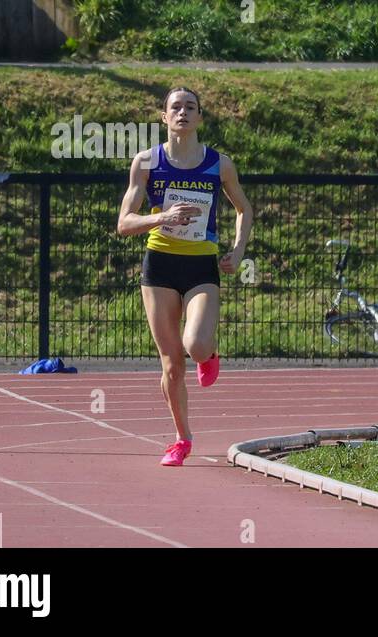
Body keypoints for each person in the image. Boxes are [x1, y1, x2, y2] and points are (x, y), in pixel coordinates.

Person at [117, 87, 254, 466]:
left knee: (194, 345)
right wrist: (161, 217)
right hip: (159, 265)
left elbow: (244, 209)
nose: (182, 113)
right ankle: (181, 439)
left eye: (190, 107)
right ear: (164, 117)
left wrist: (238, 250)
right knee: (171, 363)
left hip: (200, 266)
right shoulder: (146, 162)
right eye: (175, 107)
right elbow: (124, 223)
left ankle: (208, 354)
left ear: (200, 117)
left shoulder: (219, 164)